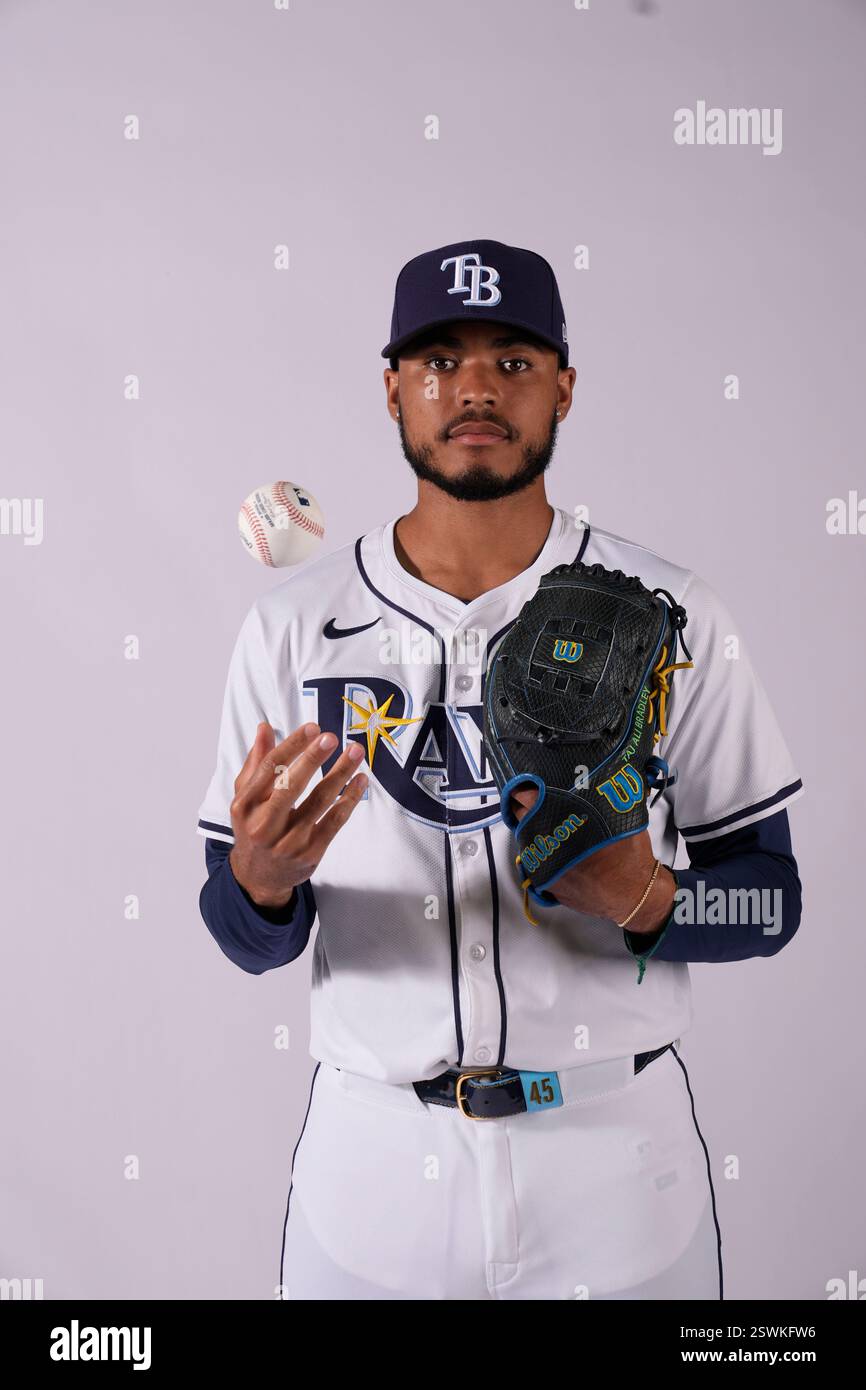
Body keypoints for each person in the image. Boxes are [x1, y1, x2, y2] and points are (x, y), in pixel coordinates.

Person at [197, 239, 803, 1300]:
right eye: (439, 358)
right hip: (372, 1163)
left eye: (512, 359)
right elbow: (241, 935)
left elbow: (770, 899)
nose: (473, 385)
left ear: (563, 386)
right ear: (393, 389)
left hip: (613, 1160)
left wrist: (646, 897)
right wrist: (257, 881)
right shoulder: (290, 629)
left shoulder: (669, 611)